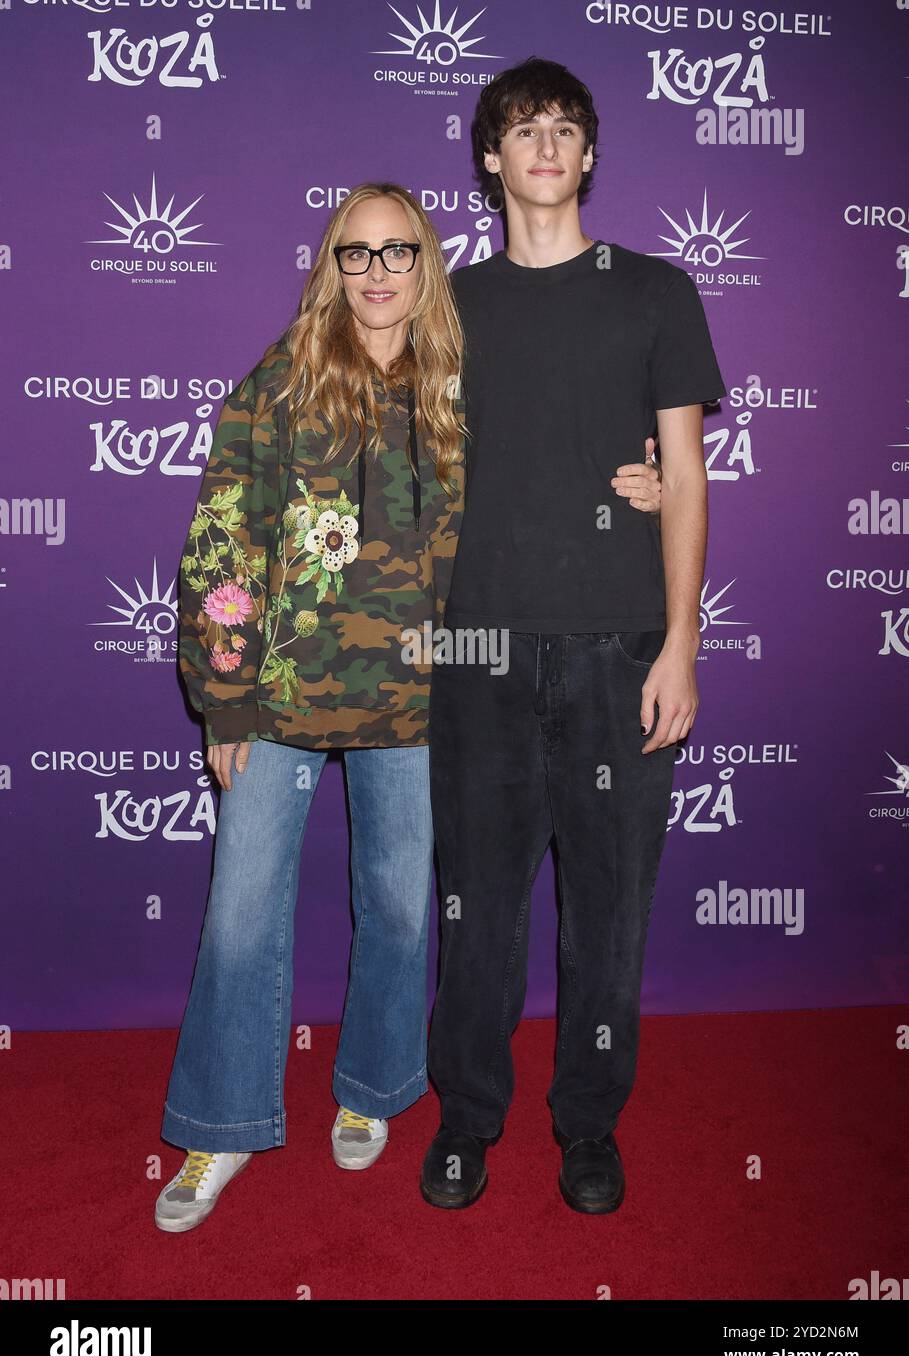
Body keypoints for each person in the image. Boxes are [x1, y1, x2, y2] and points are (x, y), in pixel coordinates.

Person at [155, 181, 664, 1234]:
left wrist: (645, 484)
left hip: (428, 699)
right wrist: (226, 697)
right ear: (330, 268)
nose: (379, 273)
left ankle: (373, 1088)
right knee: (241, 918)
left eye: (398, 252)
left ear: (425, 263)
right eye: (356, 253)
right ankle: (219, 1121)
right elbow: (222, 545)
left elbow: (552, 479)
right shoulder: (279, 384)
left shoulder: (461, 385)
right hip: (281, 696)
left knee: (398, 909)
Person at [420, 57, 727, 1215]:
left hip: (619, 647)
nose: (545, 143)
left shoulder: (655, 288)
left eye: (564, 127)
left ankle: (589, 1126)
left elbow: (687, 479)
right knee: (477, 909)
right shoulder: (449, 306)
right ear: (490, 158)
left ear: (588, 154)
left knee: (608, 914)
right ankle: (466, 1118)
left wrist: (681, 645)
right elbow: (409, 474)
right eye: (521, 128)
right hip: (477, 656)